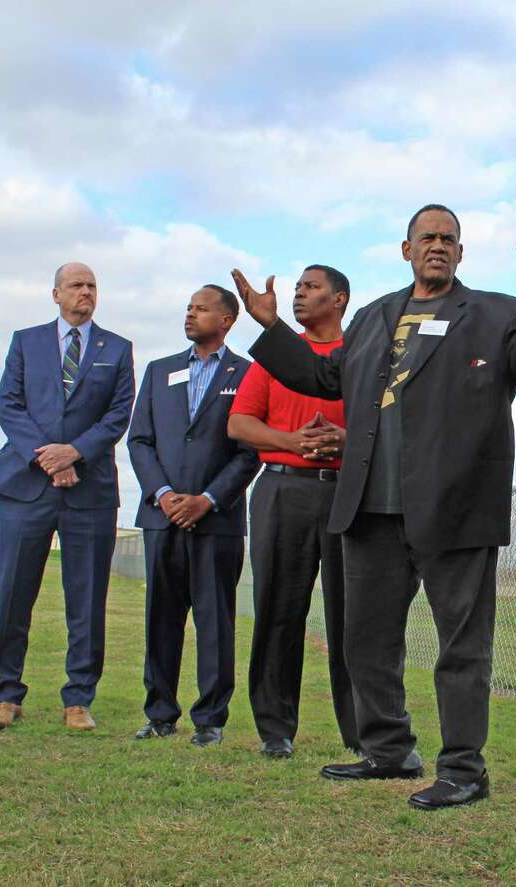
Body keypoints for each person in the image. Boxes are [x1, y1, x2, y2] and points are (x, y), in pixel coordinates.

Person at [232, 205, 516, 810]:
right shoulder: (375, 315)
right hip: (371, 507)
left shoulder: (495, 312)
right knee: (365, 639)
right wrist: (271, 327)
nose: (438, 246)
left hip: (456, 508)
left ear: (461, 253)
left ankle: (463, 767)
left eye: (449, 239)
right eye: (427, 238)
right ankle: (388, 750)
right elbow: (324, 377)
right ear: (405, 250)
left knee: (461, 645)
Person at [0, 262, 134, 731]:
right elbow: (10, 405)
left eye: (92, 285)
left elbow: (118, 414)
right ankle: (6, 696)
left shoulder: (118, 348)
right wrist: (47, 458)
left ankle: (78, 700)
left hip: (90, 492)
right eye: (76, 285)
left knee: (86, 598)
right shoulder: (26, 341)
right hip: (27, 487)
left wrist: (75, 454)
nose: (85, 291)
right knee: (14, 594)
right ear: (55, 294)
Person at [227, 264, 359, 759]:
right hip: (283, 492)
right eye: (298, 289)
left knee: (353, 616)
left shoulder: (360, 357)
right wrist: (293, 442)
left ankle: (361, 730)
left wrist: (344, 441)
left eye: (311, 288)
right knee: (279, 611)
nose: (299, 295)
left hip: (347, 492)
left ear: (340, 299)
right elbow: (239, 423)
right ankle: (275, 729)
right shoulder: (275, 360)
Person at [127, 285, 260, 746]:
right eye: (188, 307)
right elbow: (139, 440)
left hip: (216, 521)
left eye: (201, 309)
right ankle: (160, 713)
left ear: (227, 320)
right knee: (161, 618)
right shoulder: (159, 371)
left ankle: (210, 720)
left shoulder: (247, 375)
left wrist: (207, 498)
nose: (191, 314)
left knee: (215, 621)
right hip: (162, 519)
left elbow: (249, 452)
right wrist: (163, 493)